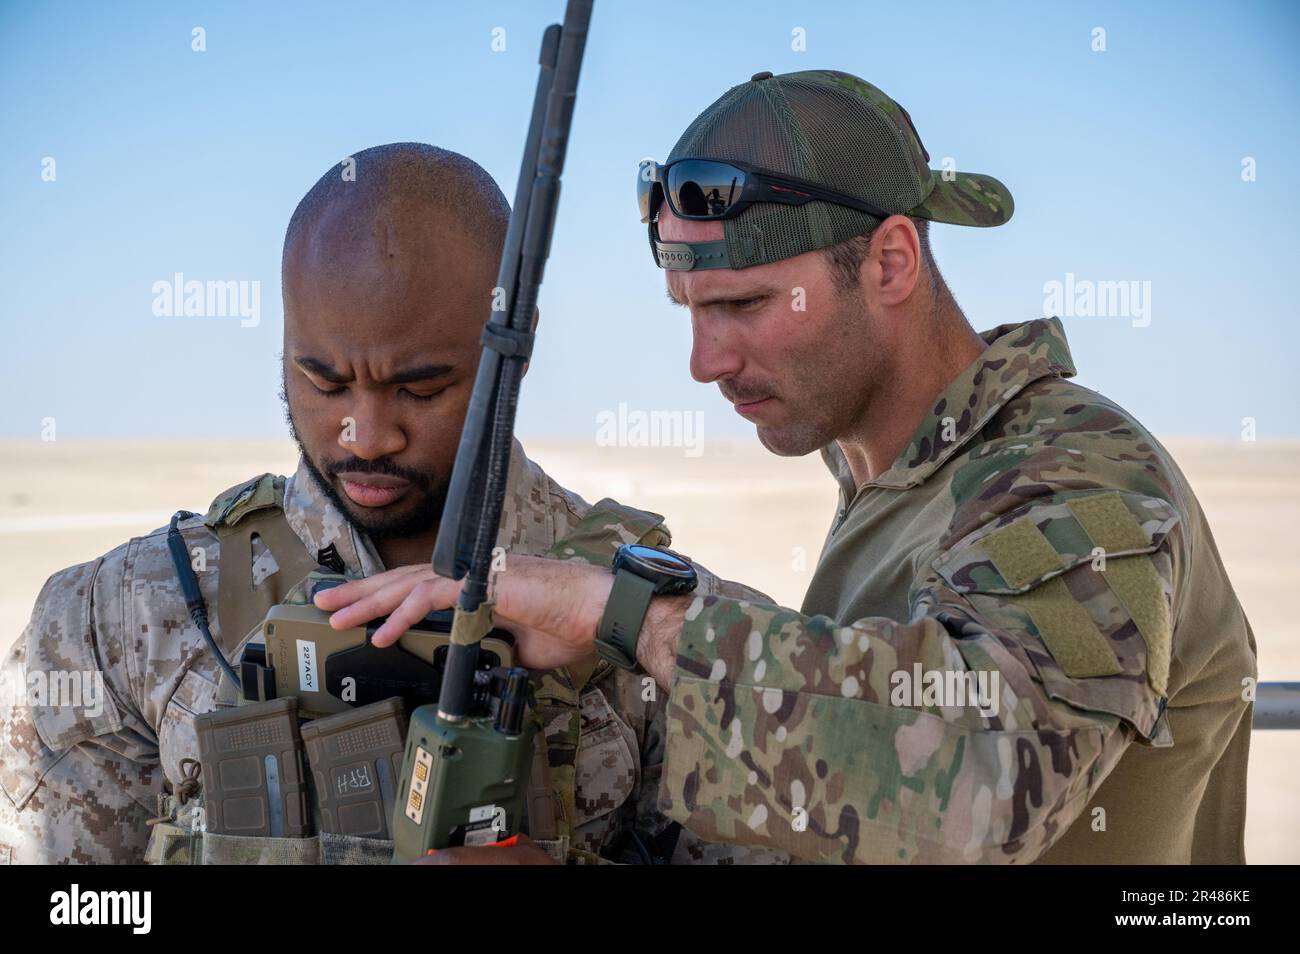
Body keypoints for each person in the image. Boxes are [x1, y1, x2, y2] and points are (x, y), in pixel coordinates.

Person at [317, 73, 1258, 864]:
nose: (705, 360)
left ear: (891, 261)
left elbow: (986, 778)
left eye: (747, 303)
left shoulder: (1078, 480)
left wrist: (623, 614)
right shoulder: (898, 488)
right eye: (690, 309)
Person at [0, 142, 781, 865]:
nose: (365, 435)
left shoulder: (664, 633)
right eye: (324, 380)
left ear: (517, 346)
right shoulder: (119, 619)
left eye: (420, 386)